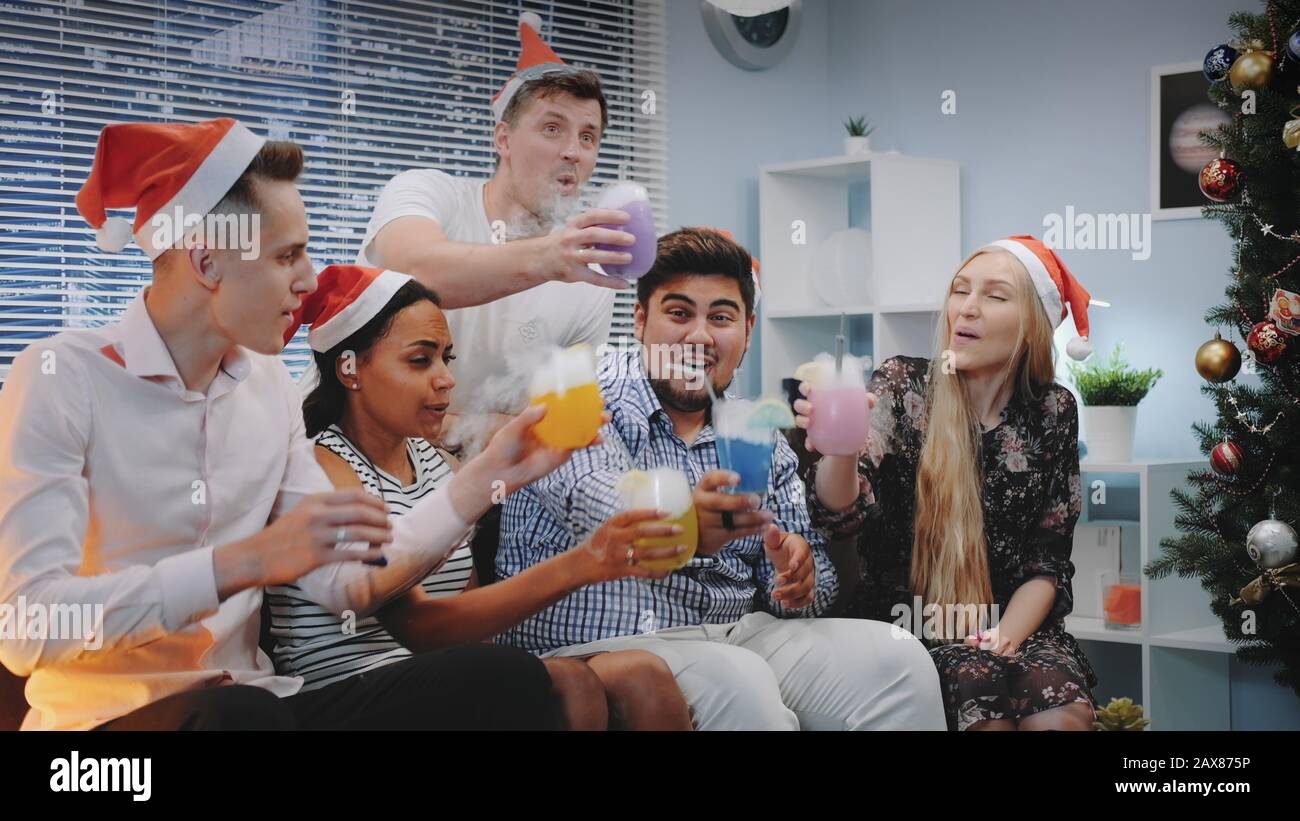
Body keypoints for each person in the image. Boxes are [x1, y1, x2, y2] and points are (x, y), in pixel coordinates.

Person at [0, 118, 570, 730]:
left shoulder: (268, 387)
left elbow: (347, 583)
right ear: (208, 261)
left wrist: (485, 477)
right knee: (240, 718)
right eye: (287, 255)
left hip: (257, 704)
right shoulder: (63, 376)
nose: (307, 279)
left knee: (501, 678)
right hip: (101, 736)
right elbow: (27, 630)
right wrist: (233, 566)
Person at [496, 227, 946, 731]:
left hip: (738, 632)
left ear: (748, 331)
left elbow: (812, 591)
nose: (700, 336)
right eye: (680, 313)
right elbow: (608, 512)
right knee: (741, 681)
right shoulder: (578, 400)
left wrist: (794, 573)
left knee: (897, 659)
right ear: (641, 319)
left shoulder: (756, 432)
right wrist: (691, 517)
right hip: (605, 640)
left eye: (721, 317)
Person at [268, 264, 692, 730]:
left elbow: (465, 617)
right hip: (347, 693)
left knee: (638, 675)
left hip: (439, 675)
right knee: (561, 682)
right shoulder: (322, 467)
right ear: (351, 369)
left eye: (446, 359)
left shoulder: (435, 465)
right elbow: (419, 626)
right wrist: (583, 564)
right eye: (419, 359)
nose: (446, 379)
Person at [799, 235, 1098, 731]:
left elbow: (1047, 561)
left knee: (1061, 718)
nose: (969, 308)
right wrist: (842, 451)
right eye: (960, 291)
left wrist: (1005, 635)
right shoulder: (901, 385)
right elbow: (839, 512)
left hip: (1012, 620)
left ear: (1031, 325)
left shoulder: (1053, 410)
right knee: (987, 712)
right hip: (909, 624)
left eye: (995, 296)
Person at [357, 13, 636, 453]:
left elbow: (556, 424)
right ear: (503, 139)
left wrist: (458, 428)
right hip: (356, 462)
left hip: (483, 486)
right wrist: (548, 259)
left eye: (588, 137)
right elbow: (410, 270)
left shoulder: (589, 280)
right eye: (552, 128)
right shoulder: (427, 191)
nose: (572, 151)